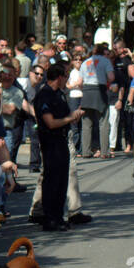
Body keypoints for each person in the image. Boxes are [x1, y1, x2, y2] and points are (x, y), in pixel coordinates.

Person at [35, 64, 80, 231]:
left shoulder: (59, 95)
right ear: (59, 77)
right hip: (50, 141)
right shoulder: (45, 96)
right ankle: (50, 218)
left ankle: (58, 216)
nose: (66, 80)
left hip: (61, 140)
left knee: (62, 180)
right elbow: (50, 122)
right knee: (52, 180)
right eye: (65, 77)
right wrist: (70, 118)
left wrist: (71, 118)